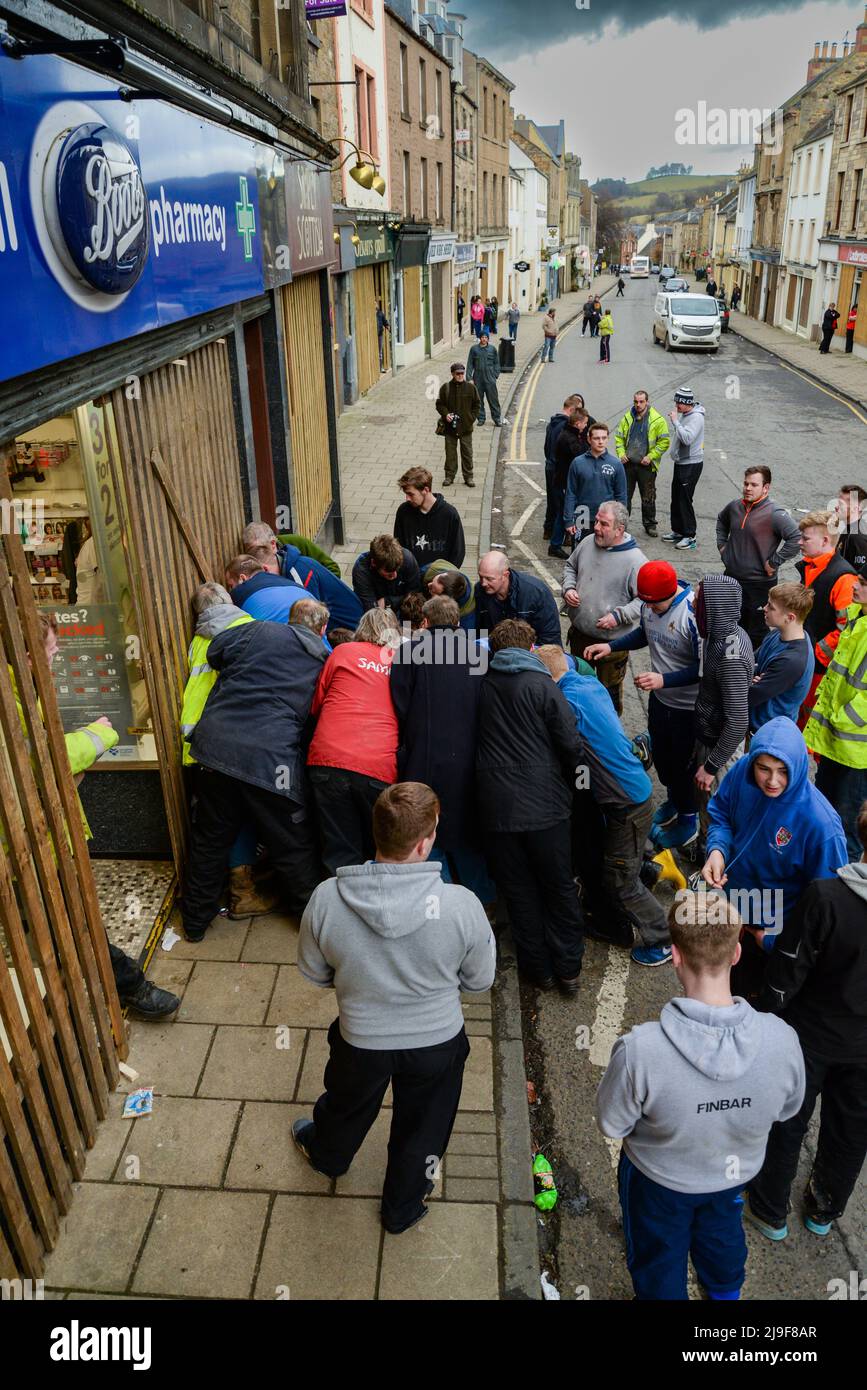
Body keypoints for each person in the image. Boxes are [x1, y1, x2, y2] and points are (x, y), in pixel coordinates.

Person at [293, 782, 495, 1235]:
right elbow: (479, 980)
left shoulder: (327, 898)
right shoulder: (461, 906)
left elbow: (315, 971)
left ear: (377, 832)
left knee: (345, 1103)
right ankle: (402, 1207)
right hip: (437, 1043)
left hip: (360, 1038)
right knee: (424, 1127)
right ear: (425, 841)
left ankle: (327, 1155)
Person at [596, 888, 805, 1302]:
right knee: (722, 1236)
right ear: (737, 954)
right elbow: (788, 1109)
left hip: (658, 1182)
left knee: (657, 1258)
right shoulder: (783, 1041)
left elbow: (612, 1122)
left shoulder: (640, 1050)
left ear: (674, 955)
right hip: (733, 1175)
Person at [17, 614, 179, 1021]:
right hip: (32, 843)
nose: (55, 662)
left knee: (62, 922)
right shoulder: (13, 695)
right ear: (25, 654)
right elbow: (42, 756)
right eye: (50, 653)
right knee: (78, 920)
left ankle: (78, 988)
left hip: (42, 834)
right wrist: (99, 735)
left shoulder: (24, 688)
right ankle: (128, 987)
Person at [746, 802, 867, 1242]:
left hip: (808, 1035)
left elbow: (788, 969)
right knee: (851, 1129)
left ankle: (768, 1206)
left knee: (788, 1118)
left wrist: (767, 1014)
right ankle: (824, 1206)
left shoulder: (825, 896)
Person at [181, 612, 328, 941]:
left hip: (216, 749)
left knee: (210, 839)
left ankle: (194, 923)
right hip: (272, 760)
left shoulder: (257, 631)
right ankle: (315, 926)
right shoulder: (321, 657)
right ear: (323, 629)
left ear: (291, 620)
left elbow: (216, 651)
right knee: (293, 840)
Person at [537, 645, 670, 965]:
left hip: (626, 803)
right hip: (630, 793)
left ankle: (663, 937)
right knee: (621, 860)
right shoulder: (588, 684)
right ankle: (649, 868)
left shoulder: (565, 704)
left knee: (620, 881)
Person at [702, 717, 848, 999]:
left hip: (767, 939)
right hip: (728, 913)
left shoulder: (822, 826)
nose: (772, 780)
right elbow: (720, 812)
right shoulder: (743, 770)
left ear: (800, 765)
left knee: (750, 1011)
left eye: (783, 771)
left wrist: (773, 940)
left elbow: (827, 906)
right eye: (764, 768)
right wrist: (717, 849)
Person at [476, 620, 585, 991]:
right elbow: (571, 743)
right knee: (558, 888)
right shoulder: (543, 686)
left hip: (496, 809)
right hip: (546, 808)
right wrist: (578, 786)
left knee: (519, 891)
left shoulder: (481, 685)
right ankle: (569, 970)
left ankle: (538, 971)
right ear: (532, 647)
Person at [585, 560, 700, 851]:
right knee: (662, 758)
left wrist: (663, 680)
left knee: (685, 766)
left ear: (670, 593)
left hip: (688, 708)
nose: (650, 610)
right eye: (645, 603)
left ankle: (689, 822)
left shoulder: (693, 614)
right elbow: (644, 634)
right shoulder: (650, 605)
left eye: (656, 604)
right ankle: (674, 801)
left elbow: (704, 669)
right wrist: (611, 646)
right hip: (661, 700)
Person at [179, 583, 277, 920]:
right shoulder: (246, 631)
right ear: (230, 603)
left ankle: (203, 913)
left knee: (215, 829)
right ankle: (244, 892)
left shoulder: (198, 640)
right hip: (231, 744)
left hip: (195, 746)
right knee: (249, 818)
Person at [391, 596, 492, 903]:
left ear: (425, 622)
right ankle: (482, 900)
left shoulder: (408, 653)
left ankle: (440, 899)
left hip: (423, 758)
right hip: (469, 759)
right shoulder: (478, 655)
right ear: (458, 622)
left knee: (426, 827)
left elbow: (400, 706)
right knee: (467, 834)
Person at [307, 607, 399, 874]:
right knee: (380, 846)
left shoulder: (342, 652)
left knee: (338, 847)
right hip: (377, 764)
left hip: (329, 758)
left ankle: (339, 911)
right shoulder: (401, 661)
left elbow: (317, 704)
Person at [804, 571, 867, 861]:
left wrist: (841, 719)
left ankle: (844, 895)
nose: (855, 585)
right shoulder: (856, 617)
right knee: (822, 812)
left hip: (855, 752)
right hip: (837, 741)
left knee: (847, 827)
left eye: (864, 584)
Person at [562, 502, 646, 714]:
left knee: (607, 698)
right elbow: (570, 566)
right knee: (578, 690)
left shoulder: (636, 561)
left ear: (620, 530)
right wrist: (568, 588)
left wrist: (619, 617)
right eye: (597, 521)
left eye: (604, 524)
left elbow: (644, 600)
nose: (596, 527)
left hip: (612, 646)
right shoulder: (588, 541)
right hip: (581, 636)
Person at [692, 574, 754, 849]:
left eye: (699, 600)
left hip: (719, 748)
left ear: (713, 607)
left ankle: (712, 869)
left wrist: (711, 766)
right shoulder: (721, 635)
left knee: (716, 814)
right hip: (708, 736)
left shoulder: (730, 657)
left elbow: (738, 721)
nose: (693, 604)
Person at [716, 466, 801, 648]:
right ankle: (731, 664)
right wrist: (723, 547)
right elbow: (721, 521)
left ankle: (753, 667)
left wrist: (774, 562)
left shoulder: (775, 514)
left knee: (755, 632)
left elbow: (796, 538)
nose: (748, 488)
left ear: (766, 488)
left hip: (759, 585)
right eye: (746, 483)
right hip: (731, 578)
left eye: (754, 484)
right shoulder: (734, 506)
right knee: (730, 625)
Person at [795, 509, 857, 724]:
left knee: (809, 722)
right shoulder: (811, 567)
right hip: (808, 662)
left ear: (824, 540)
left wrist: (815, 652)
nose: (799, 542)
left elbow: (846, 629)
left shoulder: (843, 579)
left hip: (819, 671)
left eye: (805, 538)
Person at [246, 540, 362, 633]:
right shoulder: (289, 566)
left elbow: (311, 617)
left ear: (265, 569)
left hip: (350, 628)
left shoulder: (298, 573)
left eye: (259, 577)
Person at [749, 583, 815, 732]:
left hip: (768, 732)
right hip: (758, 725)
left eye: (771, 607)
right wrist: (756, 675)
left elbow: (749, 696)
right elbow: (749, 661)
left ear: (790, 617)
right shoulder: (776, 634)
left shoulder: (792, 660)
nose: (764, 608)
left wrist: (756, 676)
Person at [473, 550, 563, 646]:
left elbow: (550, 638)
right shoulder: (479, 591)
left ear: (505, 575)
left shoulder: (536, 593)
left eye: (489, 579)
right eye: (480, 577)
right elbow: (479, 630)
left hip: (530, 655)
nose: (483, 583)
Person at [614, 390, 671, 539]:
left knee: (648, 496)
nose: (638, 405)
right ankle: (622, 526)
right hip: (628, 465)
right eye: (636, 402)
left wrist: (651, 457)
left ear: (647, 402)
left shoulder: (657, 420)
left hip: (646, 466)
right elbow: (619, 437)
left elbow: (664, 441)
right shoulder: (627, 418)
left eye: (641, 402)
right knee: (624, 497)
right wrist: (621, 453)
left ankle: (650, 525)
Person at [563, 422, 627, 544]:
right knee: (581, 554)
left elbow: (621, 497)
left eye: (604, 438)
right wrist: (568, 520)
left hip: (607, 519)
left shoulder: (616, 464)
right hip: (582, 516)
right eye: (596, 438)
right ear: (589, 439)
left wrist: (621, 522)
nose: (600, 442)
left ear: (608, 439)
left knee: (605, 555)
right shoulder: (577, 463)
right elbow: (571, 493)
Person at [393, 466, 465, 570]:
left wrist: (443, 578)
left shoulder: (449, 514)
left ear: (425, 490)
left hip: (440, 580)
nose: (407, 499)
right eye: (406, 494)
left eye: (410, 494)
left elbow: (458, 553)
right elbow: (399, 548)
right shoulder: (403, 511)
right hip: (412, 579)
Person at [663, 388, 706, 550]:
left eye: (679, 402)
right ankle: (678, 531)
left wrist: (675, 422)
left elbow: (687, 438)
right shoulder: (687, 415)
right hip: (682, 463)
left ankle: (690, 535)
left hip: (691, 464)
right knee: (676, 498)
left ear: (687, 403)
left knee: (685, 500)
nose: (676, 405)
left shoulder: (696, 418)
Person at [544, 392, 584, 554]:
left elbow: (547, 448)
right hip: (559, 471)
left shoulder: (553, 423)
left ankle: (549, 531)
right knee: (563, 507)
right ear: (572, 409)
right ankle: (558, 541)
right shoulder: (564, 427)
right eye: (578, 411)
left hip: (551, 467)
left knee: (554, 503)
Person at [242, 520, 341, 580]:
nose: (257, 556)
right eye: (252, 552)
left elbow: (332, 568)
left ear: (273, 544)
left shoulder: (298, 542)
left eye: (261, 549)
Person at [225, 555, 309, 622]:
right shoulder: (291, 583)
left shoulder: (240, 591)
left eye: (231, 586)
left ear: (242, 578)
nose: (231, 590)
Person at [435, 362, 480, 488]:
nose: (460, 375)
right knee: (450, 454)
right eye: (457, 373)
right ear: (452, 374)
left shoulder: (471, 388)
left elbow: (477, 405)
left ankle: (468, 477)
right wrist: (446, 414)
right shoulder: (446, 388)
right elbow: (439, 404)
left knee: (467, 453)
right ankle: (449, 476)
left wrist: (471, 418)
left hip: (466, 428)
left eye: (462, 373)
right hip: (450, 429)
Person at [352, 534, 422, 614]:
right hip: (378, 615)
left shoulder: (408, 560)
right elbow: (371, 611)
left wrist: (388, 602)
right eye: (389, 573)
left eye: (397, 569)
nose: (395, 575)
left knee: (409, 622)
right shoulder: (361, 572)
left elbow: (414, 598)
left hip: (404, 613)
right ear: (373, 563)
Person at [424, 560, 477, 630]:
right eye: (432, 581)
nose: (428, 584)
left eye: (432, 590)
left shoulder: (467, 618)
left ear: (445, 601)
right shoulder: (435, 569)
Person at [466, 332, 502, 427]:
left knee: (493, 399)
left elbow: (497, 363)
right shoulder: (474, 349)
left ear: (488, 339)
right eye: (482, 337)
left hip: (490, 378)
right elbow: (470, 364)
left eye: (486, 337)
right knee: (479, 400)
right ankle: (481, 418)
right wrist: (469, 378)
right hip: (478, 378)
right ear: (480, 338)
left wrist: (495, 375)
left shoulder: (492, 349)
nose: (484, 339)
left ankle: (497, 419)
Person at [835, 482, 867, 580]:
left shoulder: (857, 536)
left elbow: (860, 577)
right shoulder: (848, 530)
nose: (836, 507)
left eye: (841, 504)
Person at [376, 298, 390, 371]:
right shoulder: (371, 314)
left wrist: (388, 328)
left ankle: (380, 367)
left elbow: (385, 322)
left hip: (379, 334)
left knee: (379, 351)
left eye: (375, 303)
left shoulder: (380, 313)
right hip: (373, 336)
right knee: (375, 352)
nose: (375, 305)